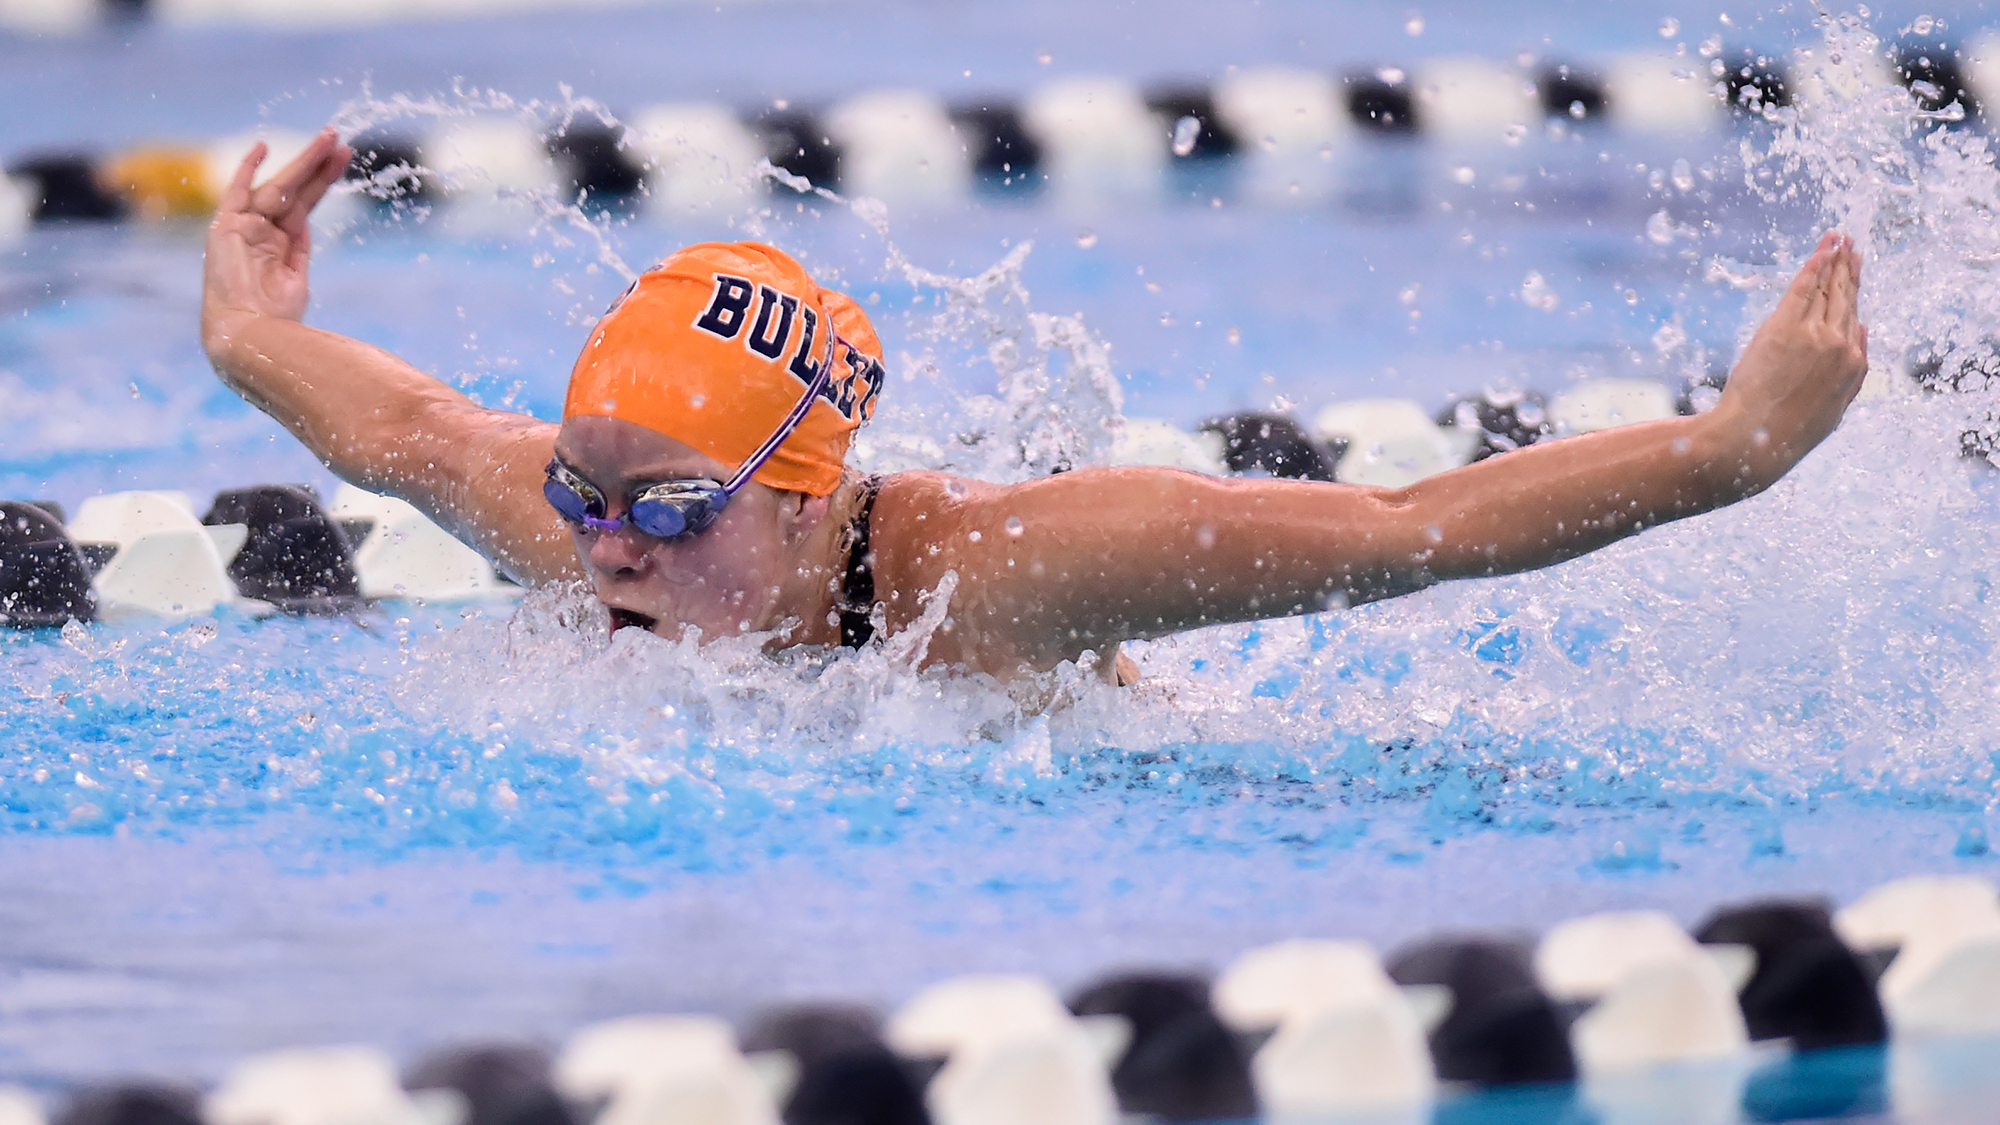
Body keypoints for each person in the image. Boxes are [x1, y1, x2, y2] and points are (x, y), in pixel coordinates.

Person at [201, 128, 1869, 682]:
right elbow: (408, 425)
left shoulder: (994, 577)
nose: (607, 551)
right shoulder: (589, 529)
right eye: (584, 495)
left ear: (798, 495)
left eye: (662, 508)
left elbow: (1402, 527)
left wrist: (1733, 449)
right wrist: (245, 329)